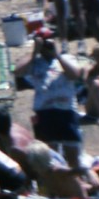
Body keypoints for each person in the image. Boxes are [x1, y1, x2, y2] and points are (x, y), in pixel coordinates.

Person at [15, 30, 85, 169]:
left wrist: (57, 55)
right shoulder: (34, 62)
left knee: (72, 155)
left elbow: (75, 75)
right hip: (44, 112)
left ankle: (78, 184)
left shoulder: (67, 58)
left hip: (67, 111)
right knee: (49, 156)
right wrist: (35, 52)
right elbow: (18, 71)